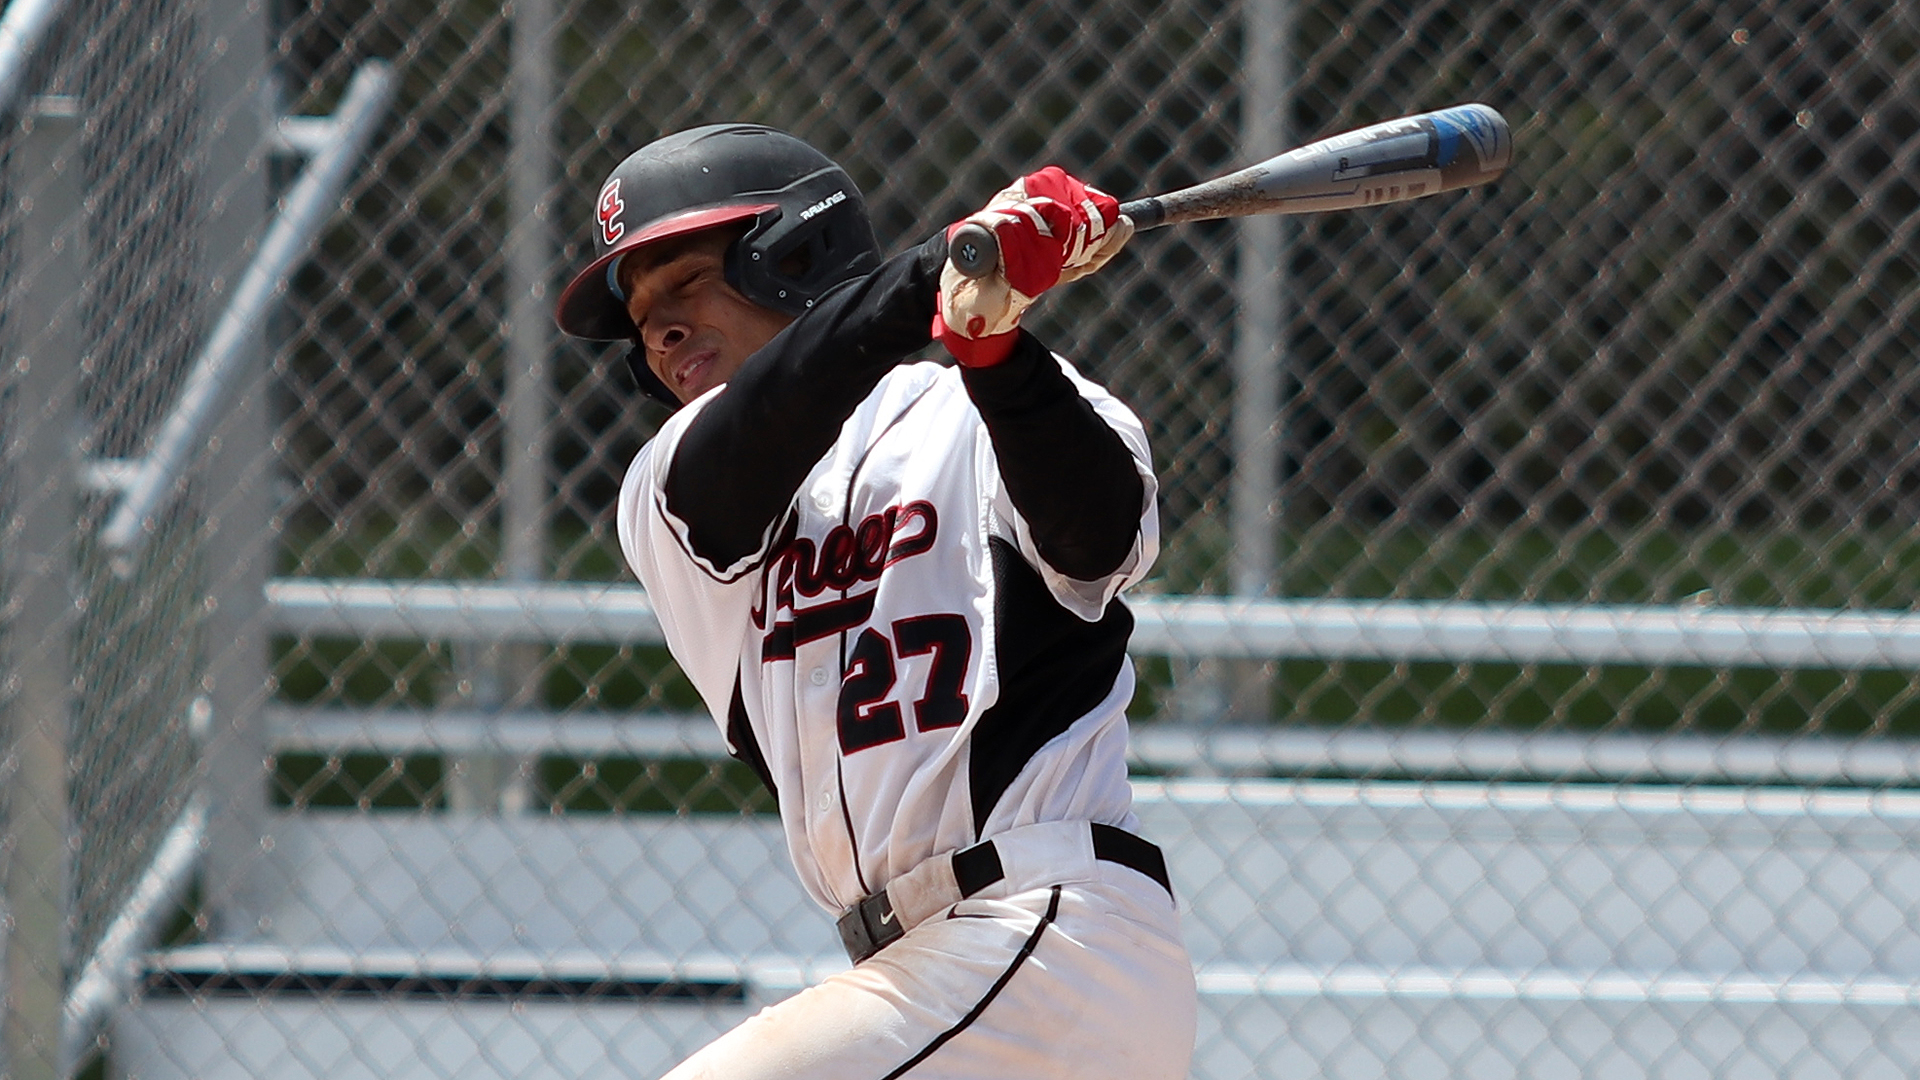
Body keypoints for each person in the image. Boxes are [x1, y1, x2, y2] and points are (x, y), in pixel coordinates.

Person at [555, 122, 1196, 1080]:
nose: (660, 329)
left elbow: (1096, 532)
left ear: (794, 254)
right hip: (915, 974)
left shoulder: (981, 417)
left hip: (1047, 935)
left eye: (686, 280)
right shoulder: (666, 489)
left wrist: (997, 358)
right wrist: (929, 275)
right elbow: (755, 440)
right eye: (644, 313)